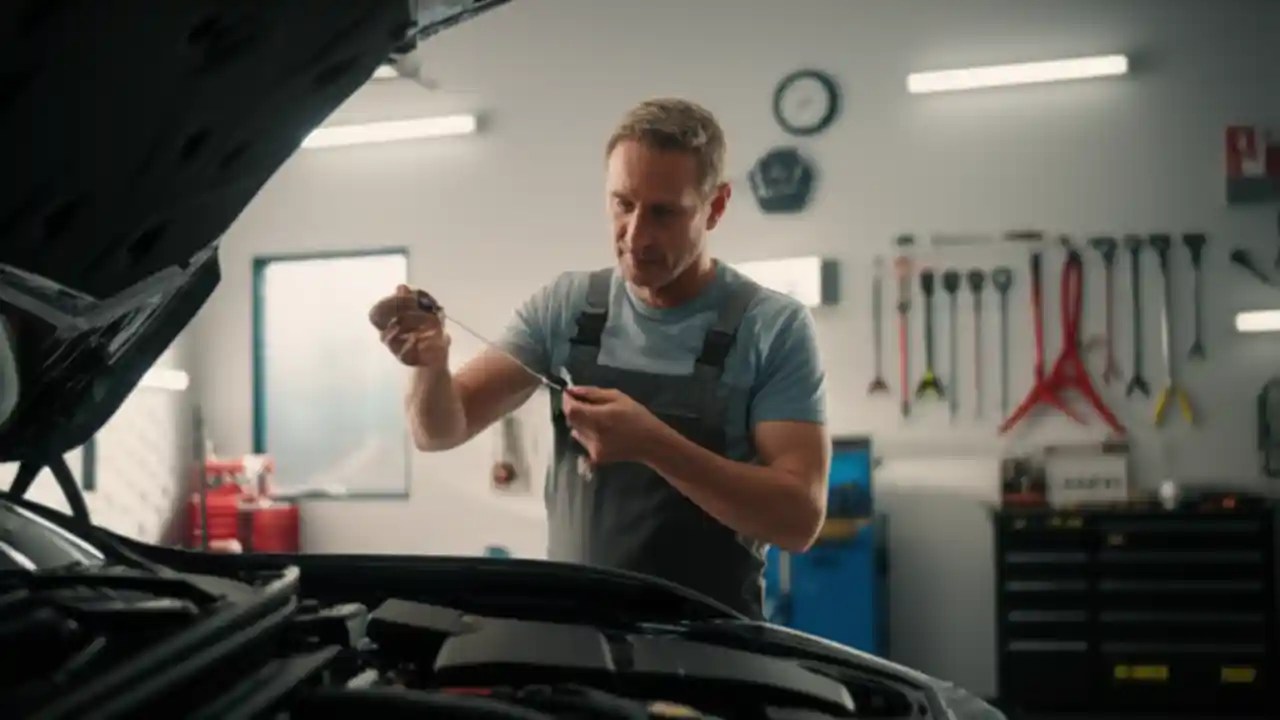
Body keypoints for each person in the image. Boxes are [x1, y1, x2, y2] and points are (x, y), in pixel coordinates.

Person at [369, 98, 830, 619]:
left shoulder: (772, 328)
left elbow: (799, 520)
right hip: (577, 640)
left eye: (664, 212)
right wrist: (429, 366)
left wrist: (654, 445)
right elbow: (439, 431)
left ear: (716, 206)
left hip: (710, 648)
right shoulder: (567, 308)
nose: (636, 235)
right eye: (623, 204)